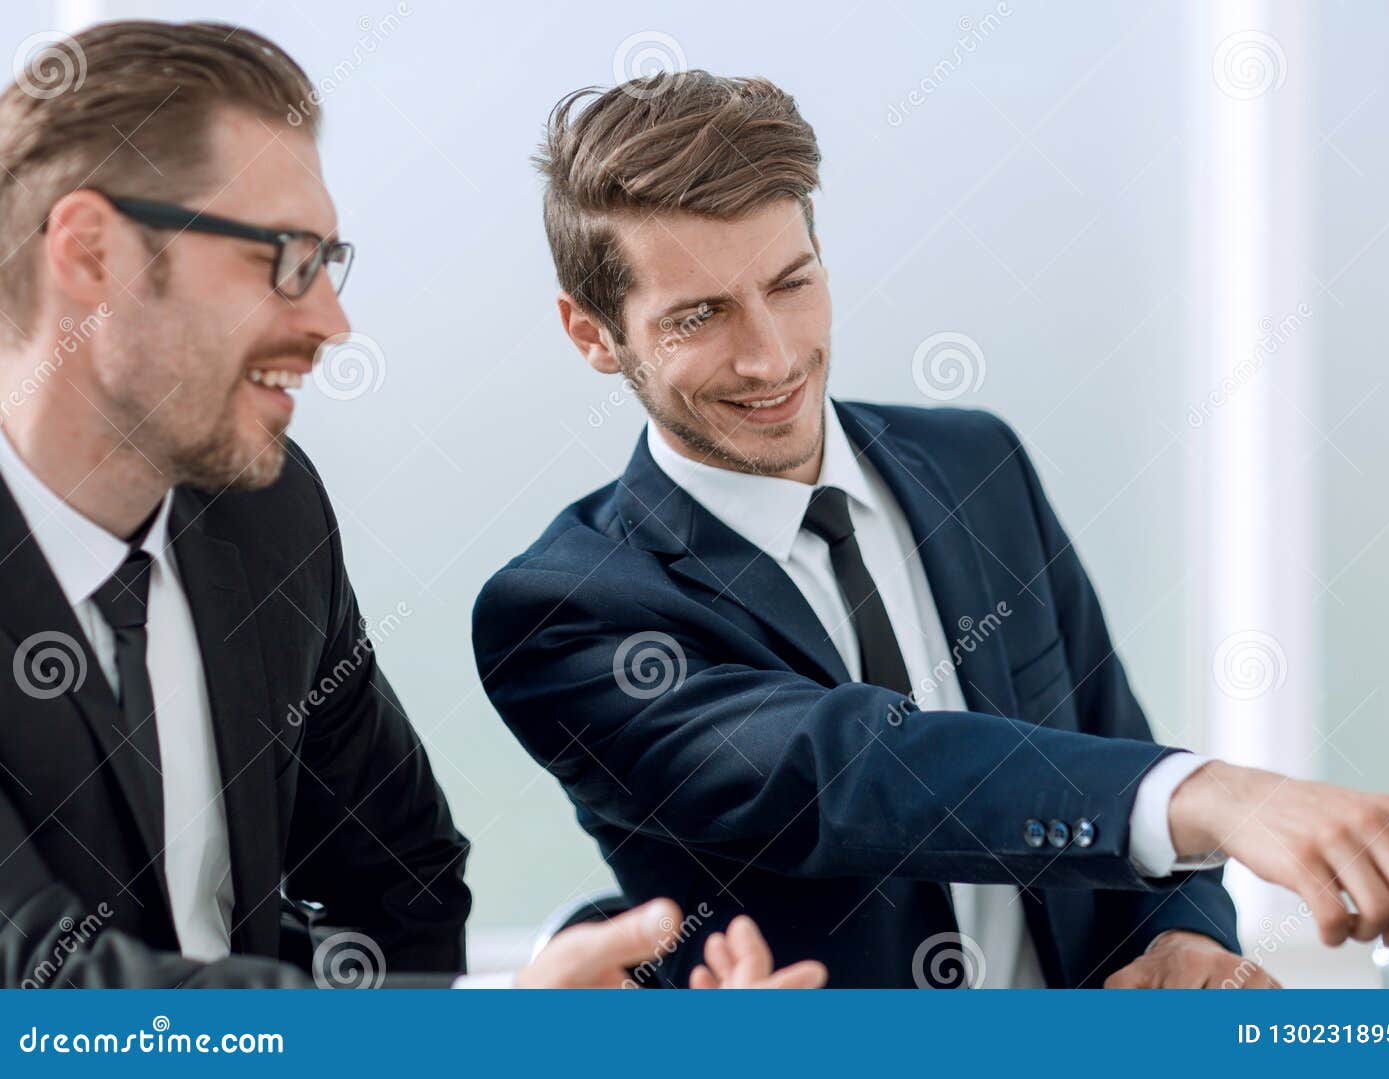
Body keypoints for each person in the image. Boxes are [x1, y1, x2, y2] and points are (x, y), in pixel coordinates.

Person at [472, 70, 1389, 988]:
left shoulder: (976, 465)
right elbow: (852, 769)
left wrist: (1183, 936)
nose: (771, 356)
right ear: (591, 332)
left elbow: (1111, 752)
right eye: (699, 315)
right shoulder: (565, 613)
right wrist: (1212, 793)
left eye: (792, 284)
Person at [0, 21, 822, 991]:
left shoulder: (266, 515)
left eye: (326, 262)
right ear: (92, 254)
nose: (330, 321)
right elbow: (50, 994)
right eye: (285, 259)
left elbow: (403, 883)